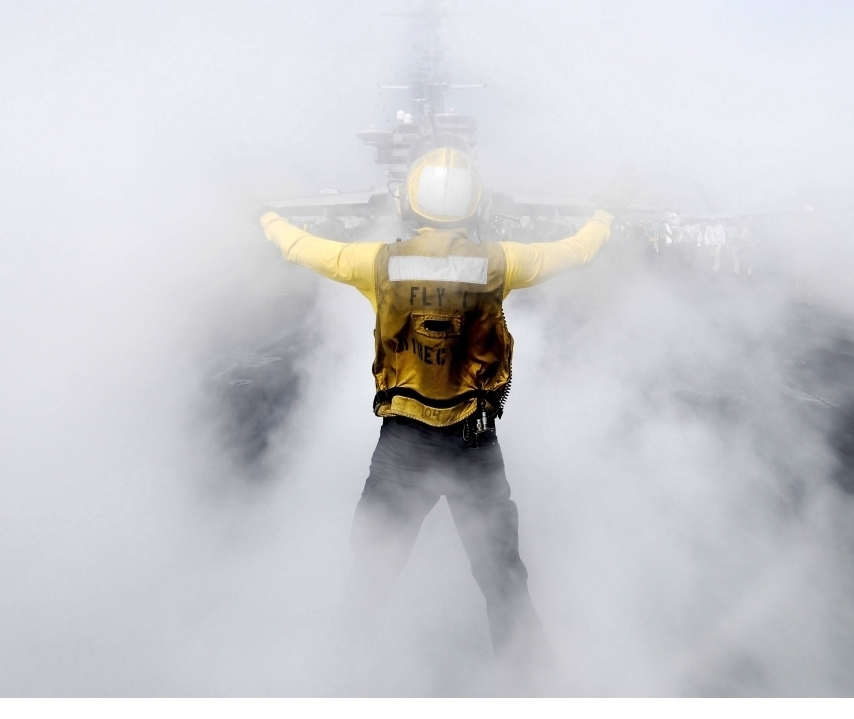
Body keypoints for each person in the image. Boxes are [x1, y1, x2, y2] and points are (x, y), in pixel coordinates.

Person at [259, 146, 621, 686]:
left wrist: (265, 216)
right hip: (474, 443)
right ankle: (534, 686)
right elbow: (577, 251)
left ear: (411, 201)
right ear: (473, 205)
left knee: (371, 574)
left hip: (402, 444)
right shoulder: (498, 263)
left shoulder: (379, 263)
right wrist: (605, 213)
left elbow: (303, 249)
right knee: (502, 579)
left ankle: (332, 681)